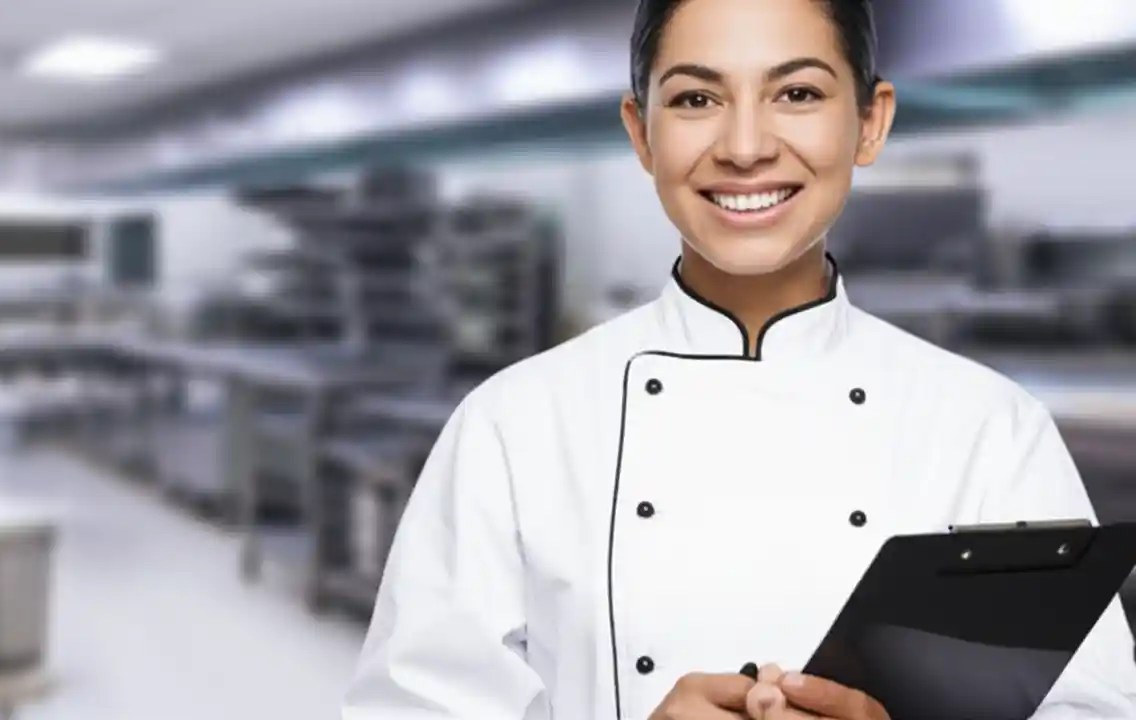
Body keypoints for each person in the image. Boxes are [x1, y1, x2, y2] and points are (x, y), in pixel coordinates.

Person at [341, 0, 1136, 717]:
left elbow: (1092, 711)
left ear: (870, 122)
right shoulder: (513, 425)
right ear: (640, 132)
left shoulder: (990, 429)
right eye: (695, 98)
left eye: (797, 93)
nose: (746, 147)